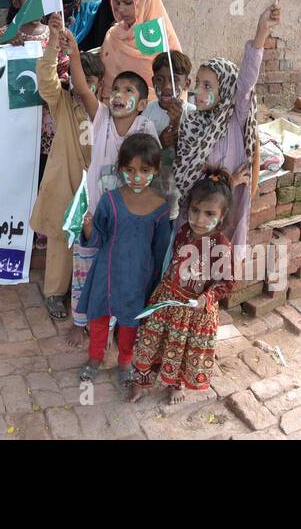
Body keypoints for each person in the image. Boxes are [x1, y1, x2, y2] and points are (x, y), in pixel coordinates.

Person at [63, 35, 171, 348]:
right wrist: (72, 52)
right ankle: (80, 323)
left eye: (128, 91)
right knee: (86, 268)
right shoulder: (101, 119)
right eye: (115, 90)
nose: (118, 95)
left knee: (118, 273)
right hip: (96, 213)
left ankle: (114, 324)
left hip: (127, 219)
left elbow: (152, 171)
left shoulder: (145, 129)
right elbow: (83, 89)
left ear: (140, 104)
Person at [173, 2, 281, 253]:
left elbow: (245, 84)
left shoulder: (235, 118)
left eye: (208, 86)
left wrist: (261, 33)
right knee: (187, 268)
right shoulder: (191, 124)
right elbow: (188, 183)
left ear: (225, 90)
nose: (198, 92)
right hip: (195, 220)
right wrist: (229, 181)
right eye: (198, 84)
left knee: (221, 267)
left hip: (227, 217)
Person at [76, 133, 176, 388]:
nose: (137, 177)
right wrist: (87, 227)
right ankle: (95, 358)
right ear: (121, 169)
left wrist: (154, 282)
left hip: (139, 276)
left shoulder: (161, 208)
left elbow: (160, 249)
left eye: (144, 170)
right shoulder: (110, 200)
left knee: (130, 322)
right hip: (107, 271)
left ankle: (125, 361)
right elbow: (97, 239)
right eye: (130, 170)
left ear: (155, 170)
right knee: (99, 317)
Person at [129, 167, 236, 404]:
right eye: (195, 211)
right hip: (167, 300)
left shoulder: (221, 245)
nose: (199, 219)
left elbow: (227, 283)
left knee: (181, 350)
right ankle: (141, 382)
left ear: (223, 214)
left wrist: (205, 299)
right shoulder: (184, 232)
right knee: (151, 341)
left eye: (209, 214)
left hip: (193, 312)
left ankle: (176, 385)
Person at [31, 17, 106, 321]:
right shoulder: (61, 103)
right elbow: (46, 79)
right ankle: (53, 294)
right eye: (80, 77)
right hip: (65, 183)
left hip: (95, 185)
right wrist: (52, 42)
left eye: (92, 80)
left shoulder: (105, 110)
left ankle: (85, 295)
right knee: (61, 240)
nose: (85, 84)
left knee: (92, 240)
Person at [99, 0, 182, 98]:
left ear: (143, 1)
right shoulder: (113, 35)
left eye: (127, 3)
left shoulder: (160, 38)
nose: (121, 10)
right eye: (118, 3)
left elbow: (173, 87)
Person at [152, 49, 194, 153]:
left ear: (186, 84)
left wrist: (176, 124)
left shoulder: (193, 113)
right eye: (160, 80)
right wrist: (159, 143)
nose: (166, 86)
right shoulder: (147, 112)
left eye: (174, 80)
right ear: (153, 82)